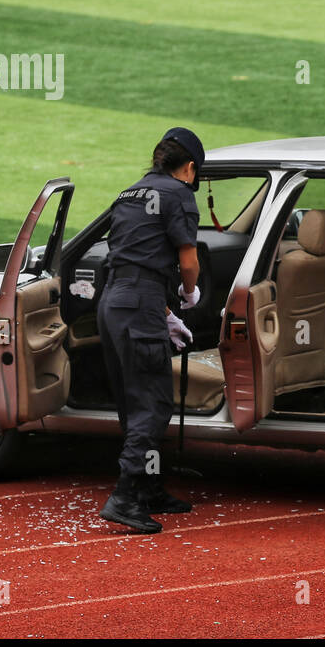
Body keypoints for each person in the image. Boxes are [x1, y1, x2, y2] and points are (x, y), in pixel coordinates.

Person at [96, 128, 206, 533]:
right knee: (154, 403)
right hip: (140, 302)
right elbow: (188, 259)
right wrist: (188, 293)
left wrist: (162, 310)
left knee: (133, 398)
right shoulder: (180, 195)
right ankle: (125, 497)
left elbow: (129, 256)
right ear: (190, 167)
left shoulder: (129, 193)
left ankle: (148, 487)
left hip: (114, 300)